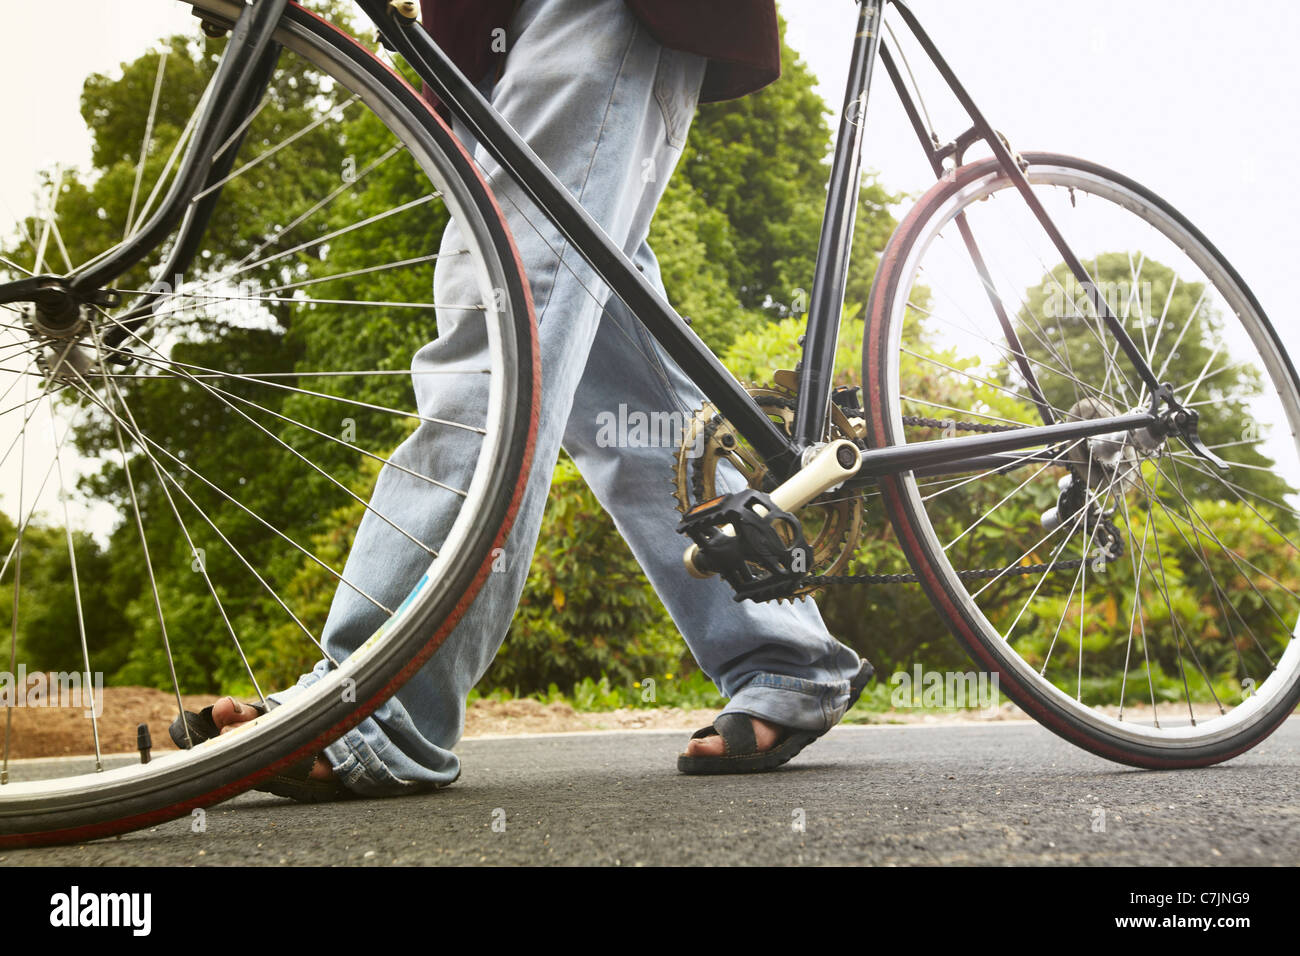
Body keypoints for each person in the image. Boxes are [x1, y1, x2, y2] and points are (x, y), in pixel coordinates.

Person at [178, 0, 871, 797]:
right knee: (608, 379)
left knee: (503, 326)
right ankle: (784, 653)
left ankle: (373, 703)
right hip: (489, 31)